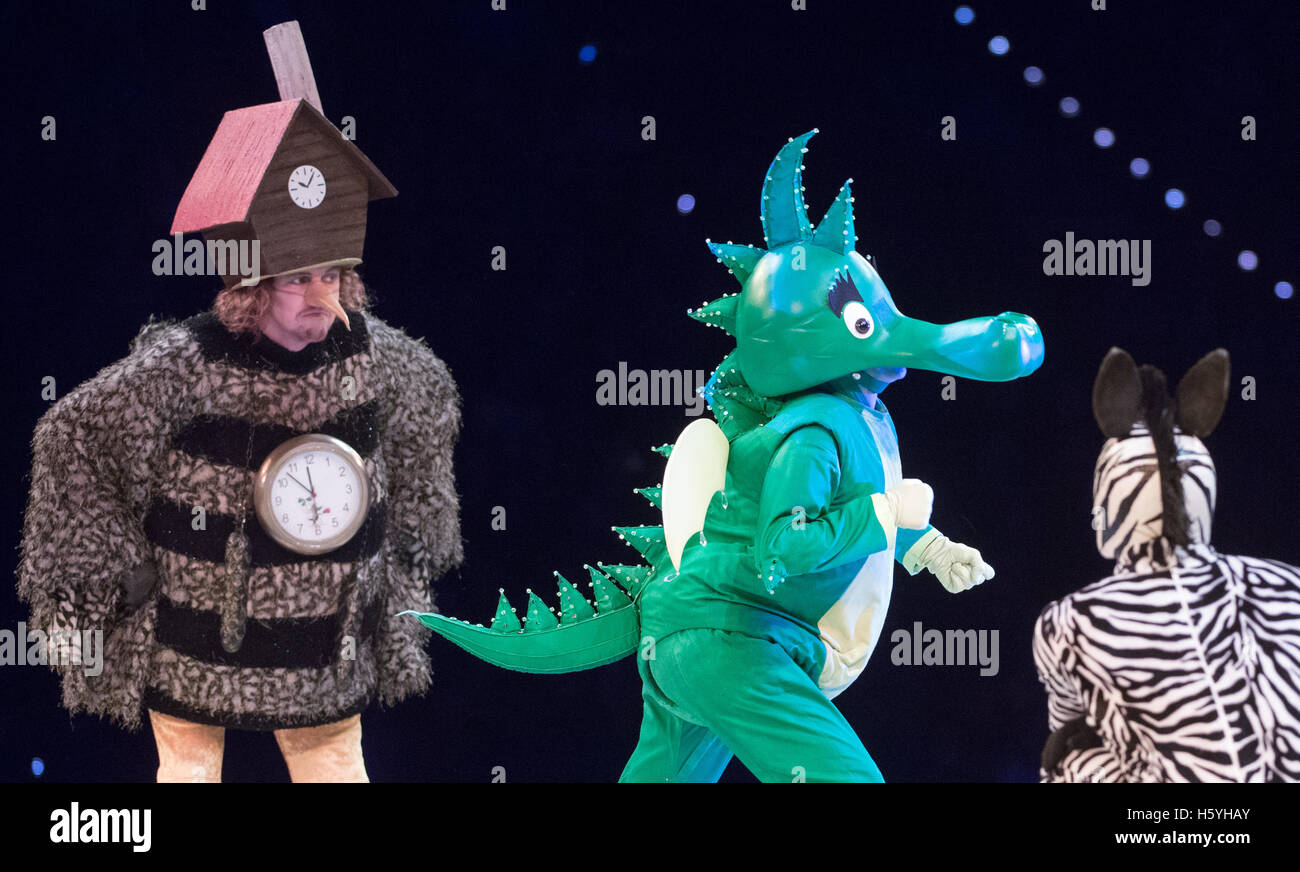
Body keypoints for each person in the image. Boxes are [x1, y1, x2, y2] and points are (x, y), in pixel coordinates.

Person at [17, 261, 464, 782]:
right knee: (191, 767)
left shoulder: (371, 355)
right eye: (299, 279)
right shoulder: (191, 359)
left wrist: (404, 540)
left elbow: (430, 406)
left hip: (325, 644)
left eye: (332, 276)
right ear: (254, 287)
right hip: (197, 636)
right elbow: (74, 434)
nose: (321, 294)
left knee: (334, 763)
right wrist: (123, 563)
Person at [1034, 348, 1300, 782]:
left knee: (1062, 761)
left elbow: (1065, 730)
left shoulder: (1070, 621)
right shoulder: (1288, 584)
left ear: (1108, 503)